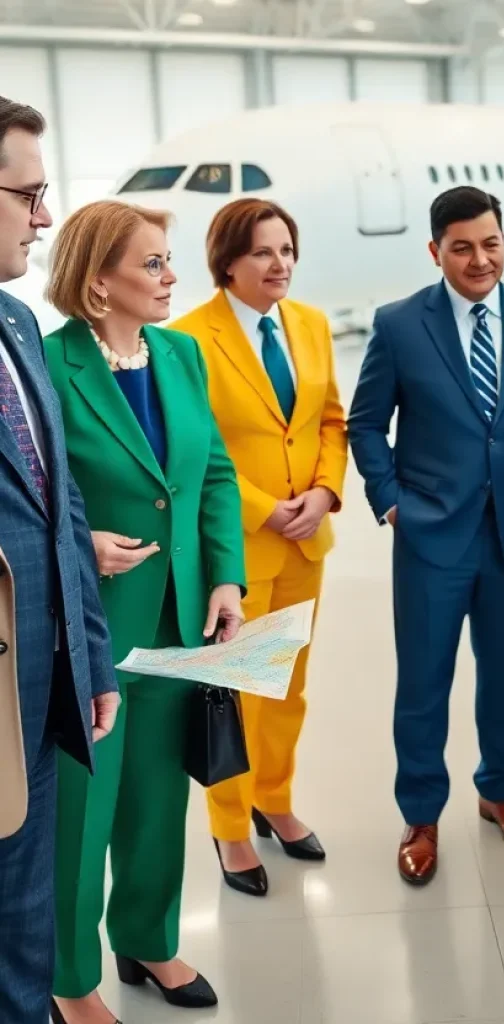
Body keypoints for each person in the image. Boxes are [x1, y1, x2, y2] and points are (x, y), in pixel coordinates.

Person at [43, 199, 246, 1023]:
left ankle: (148, 938)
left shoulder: (182, 355)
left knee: (162, 794)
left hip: (182, 613)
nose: (172, 277)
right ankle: (69, 975)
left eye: (168, 260)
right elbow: (26, 494)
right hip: (90, 622)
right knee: (82, 806)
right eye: (153, 264)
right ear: (98, 284)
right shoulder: (51, 367)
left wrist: (225, 576)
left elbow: (215, 474)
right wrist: (79, 540)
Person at [348, 186, 504, 885]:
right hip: (430, 535)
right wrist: (391, 503)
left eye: (491, 243)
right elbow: (365, 423)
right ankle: (421, 812)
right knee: (423, 681)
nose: (480, 259)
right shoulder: (397, 324)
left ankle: (499, 790)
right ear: (435, 252)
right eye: (462, 247)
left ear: (503, 242)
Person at [170, 198, 347, 897]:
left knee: (287, 691)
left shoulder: (310, 325)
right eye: (264, 253)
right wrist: (266, 509)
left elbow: (331, 419)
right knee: (235, 692)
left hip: (306, 543)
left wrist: (326, 493)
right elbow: (195, 449)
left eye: (287, 250)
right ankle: (230, 826)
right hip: (236, 548)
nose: (281, 265)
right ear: (228, 263)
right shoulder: (188, 339)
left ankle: (273, 799)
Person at [0, 96, 120, 1023]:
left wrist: (88, 650)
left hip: (39, 685)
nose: (46, 217)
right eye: (30, 194)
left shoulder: (16, 326)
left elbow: (59, 503)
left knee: (24, 910)